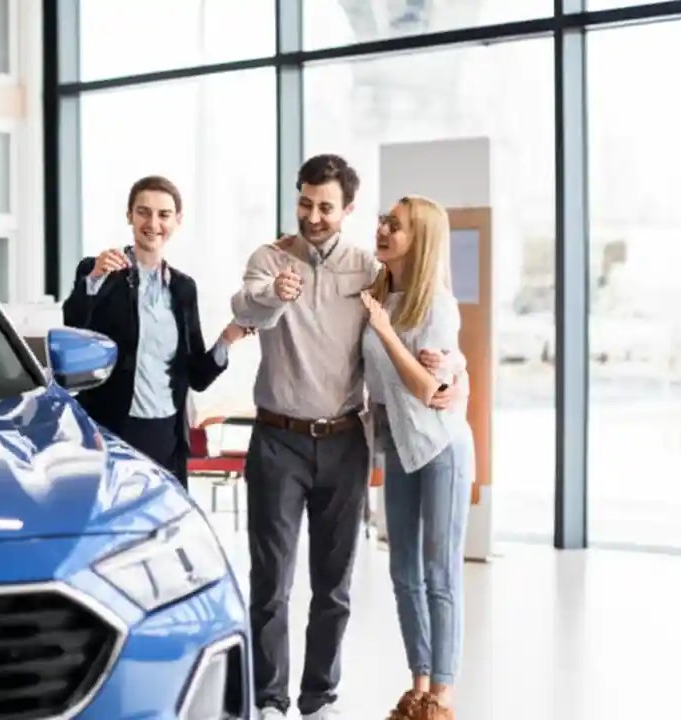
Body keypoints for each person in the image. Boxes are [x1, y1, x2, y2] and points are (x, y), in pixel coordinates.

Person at [230, 154, 465, 719]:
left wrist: (456, 366)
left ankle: (319, 699)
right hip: (277, 439)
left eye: (326, 206)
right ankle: (269, 700)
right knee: (271, 582)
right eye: (305, 202)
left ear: (348, 210)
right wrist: (273, 295)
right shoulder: (270, 258)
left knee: (333, 587)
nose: (313, 215)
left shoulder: (369, 271)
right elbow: (243, 307)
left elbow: (418, 322)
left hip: (344, 441)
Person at [360, 196, 473, 720]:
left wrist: (386, 331)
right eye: (383, 221)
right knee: (403, 569)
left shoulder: (435, 305)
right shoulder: (377, 290)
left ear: (419, 239)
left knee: (439, 569)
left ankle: (443, 696)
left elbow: (429, 388)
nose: (383, 230)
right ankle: (419, 686)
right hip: (400, 445)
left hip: (442, 445)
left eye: (395, 226)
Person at [63, 175, 249, 487]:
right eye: (143, 212)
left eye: (163, 214)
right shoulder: (100, 271)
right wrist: (94, 278)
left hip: (166, 434)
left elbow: (197, 376)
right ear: (129, 216)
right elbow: (73, 322)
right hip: (112, 427)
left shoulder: (183, 288)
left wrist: (228, 339)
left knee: (160, 527)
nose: (153, 223)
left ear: (177, 220)